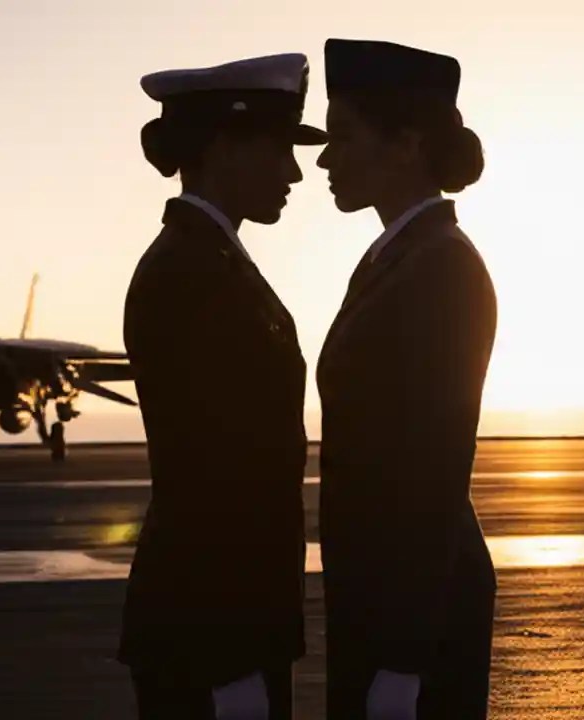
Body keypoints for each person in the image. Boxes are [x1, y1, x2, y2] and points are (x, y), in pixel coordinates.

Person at [119, 53, 327, 720]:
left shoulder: (208, 260)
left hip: (225, 621)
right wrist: (229, 659)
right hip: (213, 630)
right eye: (277, 150)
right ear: (224, 148)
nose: (294, 172)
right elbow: (213, 479)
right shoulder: (192, 274)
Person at [315, 39, 498, 720]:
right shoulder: (403, 257)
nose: (325, 158)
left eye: (342, 135)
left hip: (414, 618)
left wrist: (403, 659)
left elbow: (435, 475)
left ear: (405, 143)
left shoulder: (439, 269)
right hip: (387, 604)